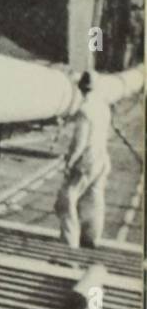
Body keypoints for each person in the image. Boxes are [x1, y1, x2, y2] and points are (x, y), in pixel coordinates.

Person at [56, 71, 111, 248]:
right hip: (102, 158)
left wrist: (70, 162)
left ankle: (69, 241)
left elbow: (80, 143)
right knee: (94, 199)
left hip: (86, 161)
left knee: (67, 198)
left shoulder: (84, 111)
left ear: (81, 89)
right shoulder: (104, 107)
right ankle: (91, 238)